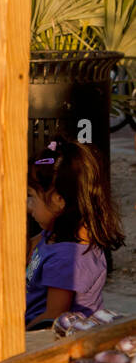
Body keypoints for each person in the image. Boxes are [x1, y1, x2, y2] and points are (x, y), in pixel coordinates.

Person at [25, 139, 125, 328]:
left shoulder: (68, 258)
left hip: (48, 338)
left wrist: (13, 336)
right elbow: (25, 252)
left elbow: (53, 318)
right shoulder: (53, 234)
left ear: (58, 201)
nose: (29, 205)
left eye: (32, 196)